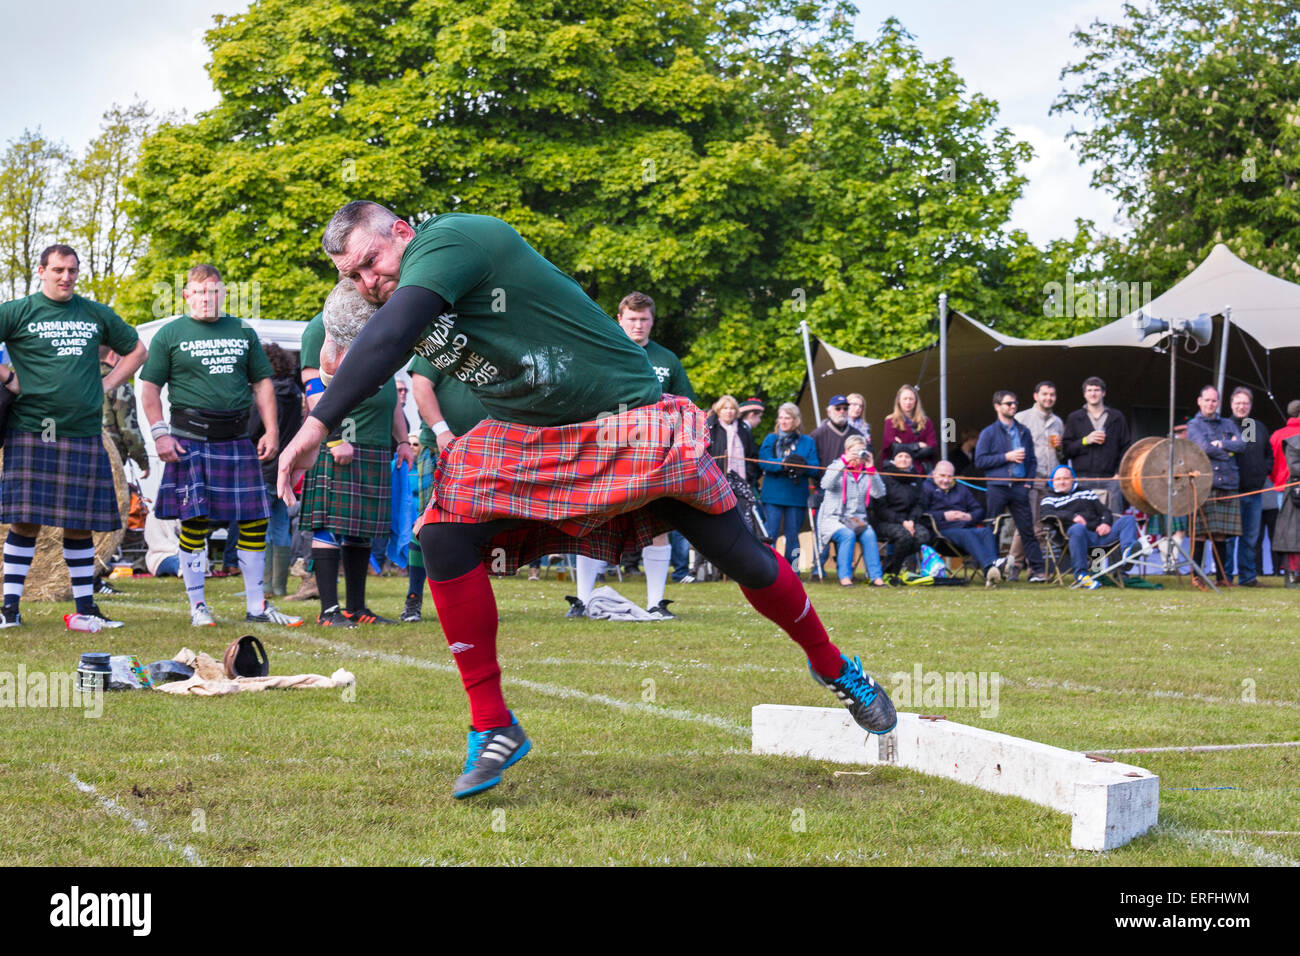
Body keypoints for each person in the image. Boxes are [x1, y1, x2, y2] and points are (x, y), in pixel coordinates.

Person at [278, 201, 895, 797]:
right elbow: (363, 341)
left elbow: (387, 336)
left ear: (404, 233)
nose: (367, 280)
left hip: (626, 418)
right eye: (351, 274)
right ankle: (492, 724)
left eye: (370, 260)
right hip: (533, 436)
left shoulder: (453, 239)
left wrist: (315, 424)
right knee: (441, 534)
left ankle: (835, 665)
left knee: (744, 557)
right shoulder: (386, 300)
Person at [140, 264, 302, 627]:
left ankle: (257, 606)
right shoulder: (170, 334)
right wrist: (159, 434)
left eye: (214, 292)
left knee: (255, 518)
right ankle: (198, 607)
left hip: (236, 439)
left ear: (222, 294)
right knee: (194, 520)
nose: (207, 299)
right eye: (199, 292)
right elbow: (149, 388)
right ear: (186, 295)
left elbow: (262, 383)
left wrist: (272, 431)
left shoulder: (241, 330)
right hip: (190, 438)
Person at [0, 244, 147, 629]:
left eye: (71, 271)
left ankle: (86, 610)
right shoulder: (17, 311)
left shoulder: (94, 313)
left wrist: (107, 384)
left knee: (80, 522)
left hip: (82, 430)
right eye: (58, 270)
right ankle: (9, 610)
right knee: (25, 521)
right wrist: (8, 377)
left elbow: (137, 350)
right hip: (34, 428)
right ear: (42, 271)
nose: (66, 277)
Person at [569, 291, 695, 619]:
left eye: (644, 319)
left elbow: (688, 407)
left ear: (652, 321)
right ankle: (582, 601)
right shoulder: (601, 353)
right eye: (632, 319)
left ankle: (656, 602)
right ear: (619, 319)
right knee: (592, 521)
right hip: (607, 449)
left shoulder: (667, 360)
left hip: (654, 453)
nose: (638, 325)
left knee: (657, 523)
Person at [299, 280, 414, 626]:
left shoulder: (377, 326)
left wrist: (404, 440)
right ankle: (329, 611)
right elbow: (313, 386)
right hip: (343, 443)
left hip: (376, 442)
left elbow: (389, 395)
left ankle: (356, 608)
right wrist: (333, 438)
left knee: (361, 529)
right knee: (330, 525)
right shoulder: (320, 326)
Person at [403, 356, 488, 622]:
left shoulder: (492, 337)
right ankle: (414, 598)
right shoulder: (440, 336)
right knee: (427, 525)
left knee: (473, 527)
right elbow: (420, 386)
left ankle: (468, 603)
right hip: (439, 448)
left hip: (483, 449)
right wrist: (442, 431)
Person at [249, 341, 304, 598]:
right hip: (286, 466)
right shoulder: (294, 392)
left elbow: (251, 430)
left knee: (261, 527)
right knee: (281, 525)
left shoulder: (265, 394)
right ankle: (278, 586)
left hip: (262, 465)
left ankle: (265, 585)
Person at [974, 390, 1046, 582]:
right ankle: (991, 569)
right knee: (993, 529)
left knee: (1027, 530)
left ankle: (1038, 571)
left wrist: (1027, 484)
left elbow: (1031, 460)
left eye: (1015, 403)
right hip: (997, 487)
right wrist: (1006, 457)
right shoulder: (988, 432)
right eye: (1008, 403)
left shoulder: (1023, 431)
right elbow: (979, 461)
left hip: (1019, 487)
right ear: (997, 406)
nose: (1013, 406)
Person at [1039, 464, 1139, 589]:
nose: (1062, 482)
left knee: (1128, 519)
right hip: (1077, 538)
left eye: (1066, 478)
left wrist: (1105, 523)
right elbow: (1046, 514)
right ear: (1052, 482)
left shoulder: (1086, 492)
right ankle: (1082, 575)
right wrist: (1071, 516)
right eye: (1058, 479)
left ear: (1073, 479)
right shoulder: (1049, 498)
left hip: (1101, 535)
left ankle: (1128, 553)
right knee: (1077, 528)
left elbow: (1105, 511)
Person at [1185, 385, 1245, 586]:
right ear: (1199, 401)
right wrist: (1227, 450)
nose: (1210, 404)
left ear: (1218, 402)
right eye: (1207, 400)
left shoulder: (1228, 423)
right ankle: (1196, 576)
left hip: (1227, 482)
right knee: (1200, 534)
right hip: (1204, 483)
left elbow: (1242, 445)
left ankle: (1222, 578)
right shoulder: (1194, 425)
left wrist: (1221, 445)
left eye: (1214, 400)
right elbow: (1203, 448)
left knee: (1221, 534)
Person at [1008, 380, 1065, 579]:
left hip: (1050, 480)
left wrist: (1059, 447)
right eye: (1045, 394)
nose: (1048, 398)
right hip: (1028, 478)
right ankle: (1014, 565)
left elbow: (1061, 454)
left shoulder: (1058, 421)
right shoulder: (1022, 418)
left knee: (1041, 525)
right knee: (1026, 523)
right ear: (1036, 396)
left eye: (1052, 395)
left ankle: (1035, 568)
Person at [816, 435, 885, 586]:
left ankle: (876, 577)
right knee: (847, 535)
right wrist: (844, 462)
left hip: (855, 520)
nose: (859, 455)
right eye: (856, 451)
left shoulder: (866, 472)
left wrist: (871, 469)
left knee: (869, 534)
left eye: (862, 451)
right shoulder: (836, 466)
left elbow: (879, 493)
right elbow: (825, 484)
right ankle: (845, 577)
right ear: (847, 451)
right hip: (833, 519)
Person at [758, 402, 820, 567]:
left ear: (796, 420)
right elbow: (763, 461)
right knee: (770, 533)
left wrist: (802, 466)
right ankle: (767, 567)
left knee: (793, 535)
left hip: (796, 494)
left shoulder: (807, 442)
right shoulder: (771, 439)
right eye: (781, 417)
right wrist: (783, 463)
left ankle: (793, 568)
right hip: (773, 494)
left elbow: (815, 468)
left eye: (788, 418)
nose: (783, 421)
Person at [922, 460, 1001, 586]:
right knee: (968, 534)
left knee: (986, 531)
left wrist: (969, 516)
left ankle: (994, 567)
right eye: (942, 476)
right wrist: (944, 516)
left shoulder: (961, 488)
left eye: (949, 476)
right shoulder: (926, 488)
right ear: (934, 474)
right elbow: (921, 514)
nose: (946, 480)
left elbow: (979, 510)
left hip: (965, 527)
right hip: (941, 534)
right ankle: (989, 568)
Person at [1224, 387, 1272, 587]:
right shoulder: (1224, 426)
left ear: (1250, 405)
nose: (1241, 407)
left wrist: (1264, 471)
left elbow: (1264, 454)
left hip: (1254, 491)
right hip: (1231, 492)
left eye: (1245, 403)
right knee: (1228, 539)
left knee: (1250, 538)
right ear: (1231, 404)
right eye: (1238, 403)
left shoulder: (1255, 426)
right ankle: (1224, 576)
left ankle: (1247, 577)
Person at [1062, 376, 1131, 513]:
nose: (1093, 394)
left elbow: (1126, 448)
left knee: (1114, 516)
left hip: (1110, 477)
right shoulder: (1074, 418)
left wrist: (1119, 472)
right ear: (1084, 394)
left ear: (1103, 393)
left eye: (1097, 390)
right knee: (1084, 517)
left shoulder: (1116, 417)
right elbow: (1066, 449)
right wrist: (1085, 441)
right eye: (1089, 390)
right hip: (1083, 478)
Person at [872, 449, 932, 576]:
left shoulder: (916, 479)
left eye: (907, 456)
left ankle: (890, 567)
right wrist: (902, 522)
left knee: (923, 535)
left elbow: (919, 504)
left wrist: (911, 520)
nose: (904, 459)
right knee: (904, 536)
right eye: (900, 456)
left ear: (911, 461)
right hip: (886, 521)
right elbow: (880, 507)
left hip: (910, 521)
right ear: (894, 460)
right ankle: (894, 571)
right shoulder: (884, 478)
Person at [1269, 399, 1300, 578]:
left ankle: (1277, 571)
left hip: (1280, 489)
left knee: (1285, 534)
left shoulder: (1277, 435)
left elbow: (1271, 463)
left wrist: (1276, 481)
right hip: (1290, 489)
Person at [880, 384, 936, 474]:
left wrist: (904, 448)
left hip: (921, 471)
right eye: (905, 399)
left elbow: (931, 447)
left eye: (911, 399)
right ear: (899, 401)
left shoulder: (926, 422)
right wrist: (917, 446)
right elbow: (892, 447)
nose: (908, 402)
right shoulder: (891, 421)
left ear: (916, 401)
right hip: (899, 471)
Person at [810, 394, 855, 469]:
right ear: (829, 412)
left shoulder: (856, 434)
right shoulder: (817, 434)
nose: (842, 411)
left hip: (850, 479)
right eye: (838, 408)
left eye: (845, 408)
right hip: (825, 479)